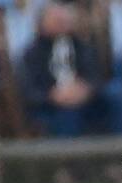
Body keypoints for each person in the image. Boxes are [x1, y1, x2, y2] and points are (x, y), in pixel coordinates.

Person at [20, 2, 104, 136]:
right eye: (57, 21)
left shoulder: (83, 47)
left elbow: (96, 76)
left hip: (85, 99)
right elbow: (29, 90)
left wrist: (85, 89)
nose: (62, 24)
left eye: (64, 20)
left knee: (116, 99)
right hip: (51, 106)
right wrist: (53, 95)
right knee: (68, 117)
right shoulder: (32, 54)